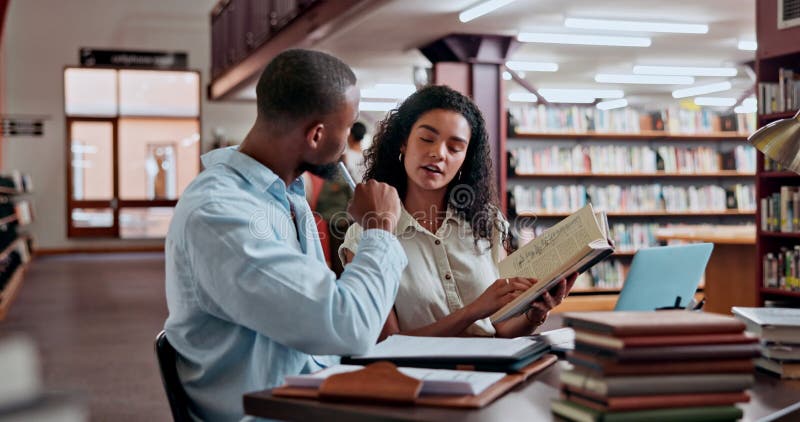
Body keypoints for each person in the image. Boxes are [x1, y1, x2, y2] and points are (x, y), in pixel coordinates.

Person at [164, 49, 407, 421]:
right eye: (349, 126)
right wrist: (380, 228)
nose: (347, 144)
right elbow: (349, 326)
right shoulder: (220, 213)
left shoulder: (285, 195)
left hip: (309, 394)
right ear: (316, 135)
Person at [340, 85, 576, 340]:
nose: (438, 154)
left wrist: (536, 313)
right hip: (419, 376)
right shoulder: (369, 233)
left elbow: (502, 328)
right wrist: (474, 311)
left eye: (455, 148)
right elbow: (387, 341)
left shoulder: (487, 222)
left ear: (466, 158)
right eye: (427, 139)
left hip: (493, 373)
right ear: (403, 143)